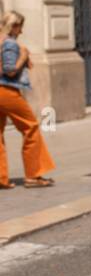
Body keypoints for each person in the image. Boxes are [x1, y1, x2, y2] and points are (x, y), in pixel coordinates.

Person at [0, 10, 55, 189]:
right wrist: (22, 57)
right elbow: (9, 70)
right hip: (6, 91)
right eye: (20, 27)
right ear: (14, 26)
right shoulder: (10, 44)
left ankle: (1, 178)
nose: (21, 32)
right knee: (30, 127)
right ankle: (33, 175)